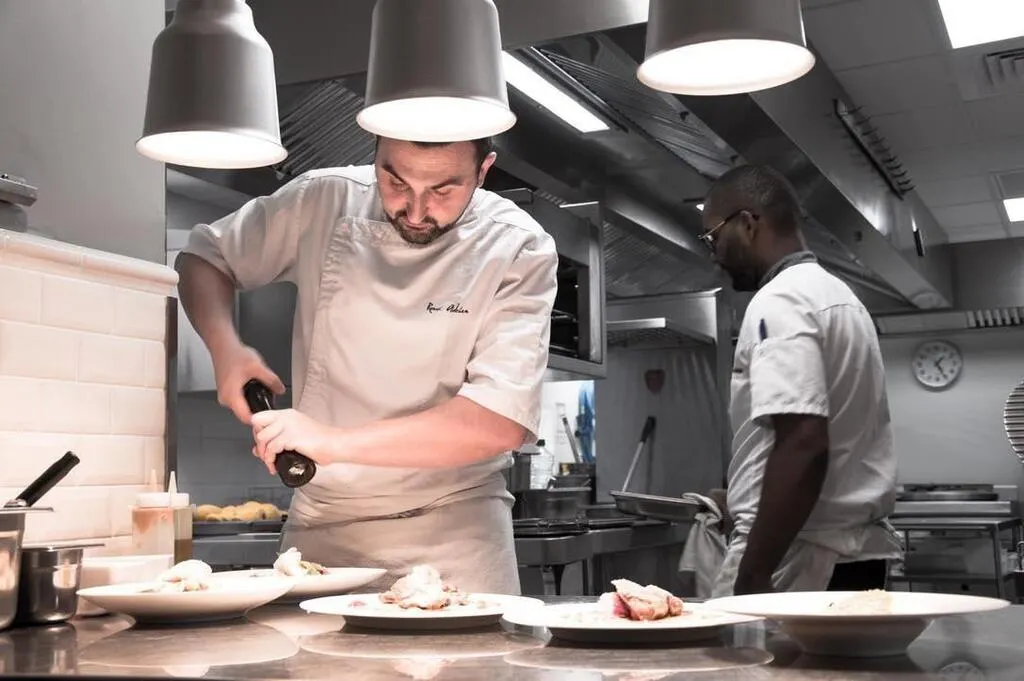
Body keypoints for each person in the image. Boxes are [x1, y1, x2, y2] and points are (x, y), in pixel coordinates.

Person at [175, 136, 558, 594]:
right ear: (374, 152)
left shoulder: (518, 246)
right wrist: (226, 350)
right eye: (395, 180)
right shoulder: (324, 198)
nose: (415, 211)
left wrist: (331, 442)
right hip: (322, 537)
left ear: (483, 170)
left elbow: (497, 423)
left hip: (457, 538)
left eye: (443, 190)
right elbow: (203, 257)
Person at [699, 164, 902, 597]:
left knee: (758, 664)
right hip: (847, 553)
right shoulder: (839, 298)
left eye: (714, 236)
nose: (713, 252)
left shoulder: (781, 301)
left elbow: (803, 442)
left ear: (749, 223)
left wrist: (753, 574)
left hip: (803, 559)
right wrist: (740, 491)